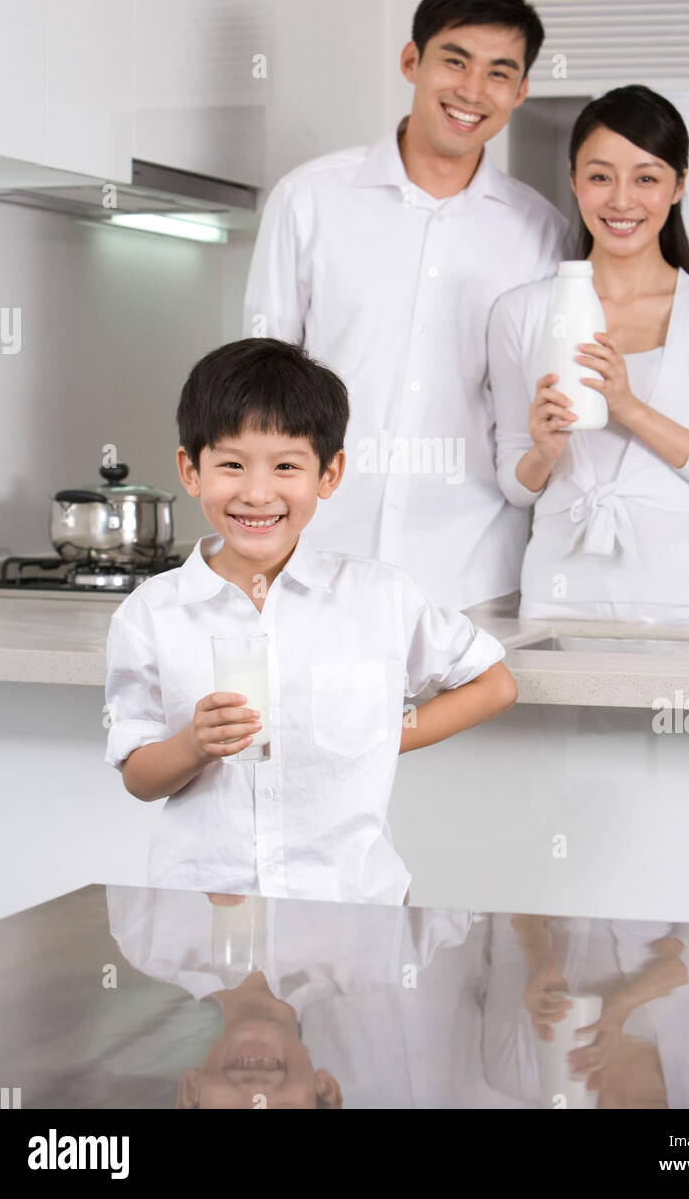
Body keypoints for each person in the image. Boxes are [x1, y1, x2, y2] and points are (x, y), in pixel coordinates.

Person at [242, 0, 689, 612]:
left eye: (499, 73)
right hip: (322, 555)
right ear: (412, 60)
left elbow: (625, 303)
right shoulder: (310, 201)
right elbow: (258, 379)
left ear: (521, 90)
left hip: (475, 572)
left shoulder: (541, 231)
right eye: (455, 61)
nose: (473, 91)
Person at [104, 338, 516, 904]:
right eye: (230, 464)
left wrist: (377, 737)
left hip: (351, 909)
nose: (256, 492)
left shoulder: (379, 598)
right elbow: (139, 778)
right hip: (204, 916)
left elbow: (493, 684)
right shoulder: (151, 614)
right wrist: (195, 744)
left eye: (286, 466)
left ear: (329, 473)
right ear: (190, 470)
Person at [487, 85, 689, 624]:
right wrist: (543, 451)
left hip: (686, 606)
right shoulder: (519, 312)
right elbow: (514, 487)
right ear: (573, 179)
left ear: (679, 185)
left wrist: (628, 406)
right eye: (599, 176)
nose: (620, 200)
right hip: (557, 603)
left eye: (646, 177)